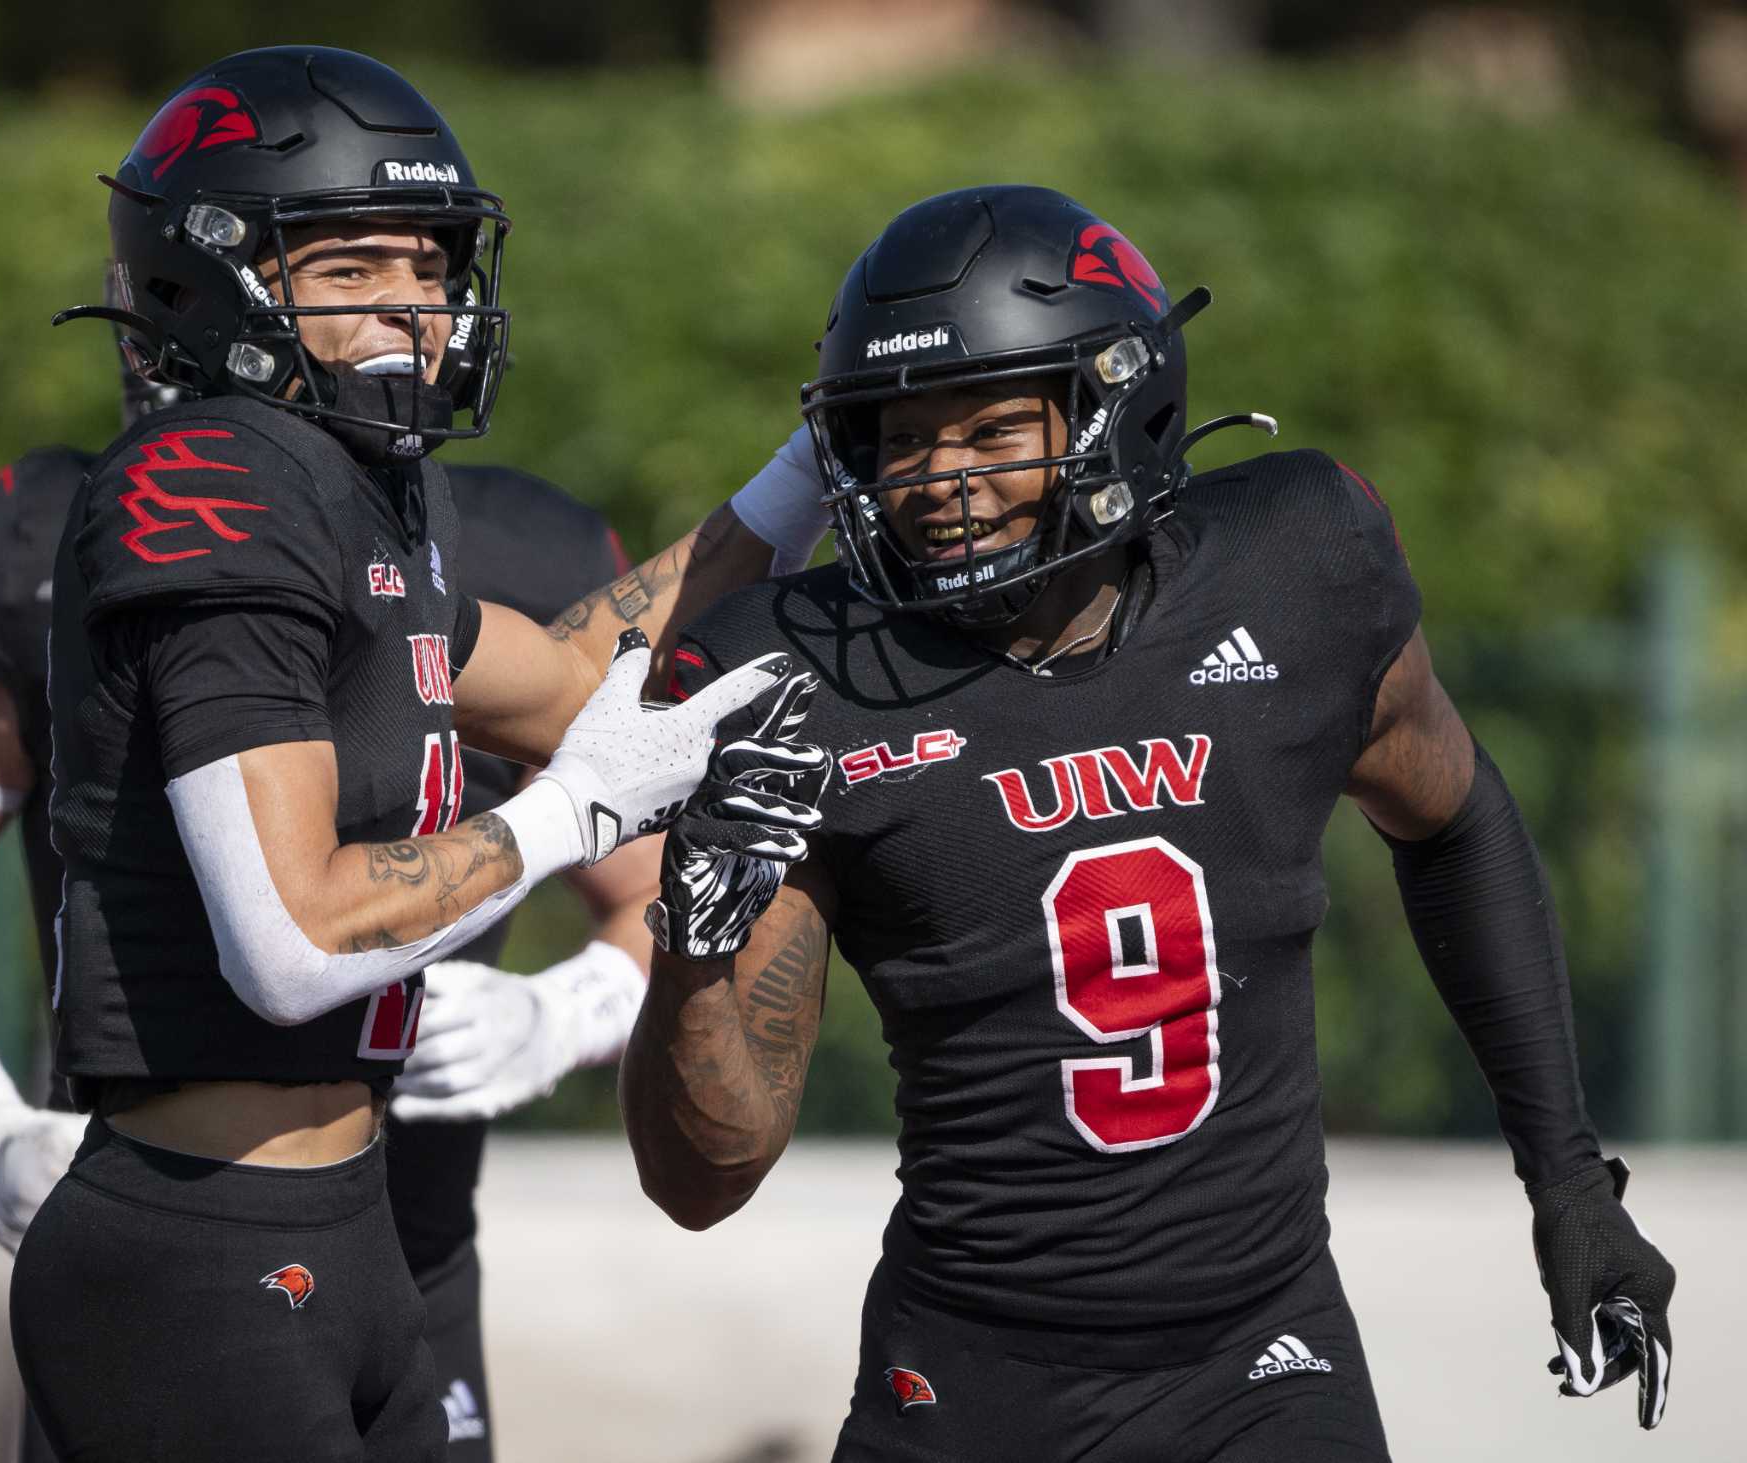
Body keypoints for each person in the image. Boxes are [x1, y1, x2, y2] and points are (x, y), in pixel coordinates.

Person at [621, 185, 1677, 1462]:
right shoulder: (798, 678)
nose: (942, 479)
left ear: (1117, 405)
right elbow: (703, 1180)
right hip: (971, 1379)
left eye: (995, 426)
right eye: (902, 437)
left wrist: (1567, 1180)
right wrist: (686, 942)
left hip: (1264, 1359)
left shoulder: (1295, 564)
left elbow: (1451, 821)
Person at [11, 46, 829, 1463]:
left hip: (352, 1225)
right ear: (213, 283)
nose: (415, 309)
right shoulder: (211, 477)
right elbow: (291, 938)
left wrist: (811, 465)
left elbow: (583, 669)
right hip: (206, 1247)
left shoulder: (355, 495)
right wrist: (574, 813)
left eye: (432, 265)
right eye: (351, 269)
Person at [0, 395, 662, 1462]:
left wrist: (566, 1010)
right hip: (174, 1231)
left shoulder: (500, 545)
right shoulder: (84, 535)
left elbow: (649, 885)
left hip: (407, 1251)